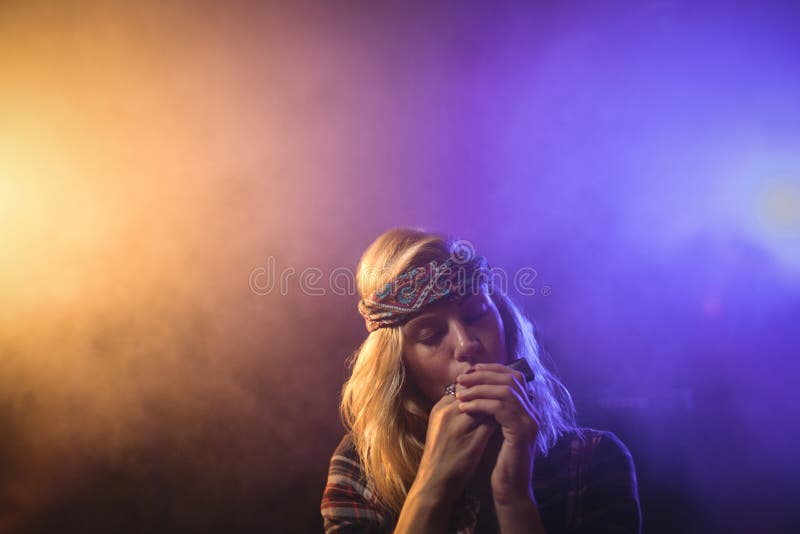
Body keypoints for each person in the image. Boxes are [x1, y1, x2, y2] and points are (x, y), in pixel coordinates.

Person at [321, 228, 642, 533]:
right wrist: (432, 488)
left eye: (476, 315)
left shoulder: (593, 459)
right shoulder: (361, 469)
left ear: (504, 320)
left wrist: (513, 497)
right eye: (431, 336)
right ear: (400, 366)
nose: (466, 345)